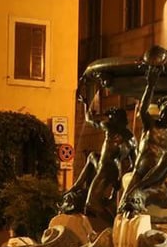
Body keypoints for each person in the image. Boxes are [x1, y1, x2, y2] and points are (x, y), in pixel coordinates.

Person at [117, 62, 167, 216]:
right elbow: (143, 108)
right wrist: (150, 84)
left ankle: (142, 188)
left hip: (158, 176)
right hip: (141, 170)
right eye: (163, 111)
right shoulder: (150, 125)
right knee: (124, 206)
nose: (165, 115)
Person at [58, 98, 137, 229]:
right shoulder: (132, 140)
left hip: (105, 170)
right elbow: (134, 164)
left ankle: (115, 226)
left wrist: (86, 104)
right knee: (92, 156)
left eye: (111, 117)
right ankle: (75, 187)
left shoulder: (109, 128)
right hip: (110, 168)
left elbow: (89, 120)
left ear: (115, 119)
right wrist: (121, 180)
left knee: (91, 204)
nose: (109, 119)